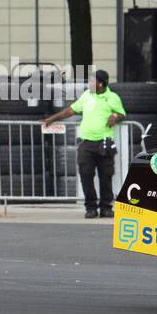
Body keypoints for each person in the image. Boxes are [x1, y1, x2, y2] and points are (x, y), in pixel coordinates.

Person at [41, 69, 126, 219]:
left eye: (92, 81)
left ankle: (106, 207)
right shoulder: (87, 95)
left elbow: (122, 114)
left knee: (105, 176)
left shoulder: (113, 97)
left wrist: (115, 116)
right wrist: (52, 119)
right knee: (86, 175)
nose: (89, 83)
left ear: (101, 83)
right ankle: (91, 208)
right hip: (86, 143)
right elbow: (71, 110)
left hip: (105, 142)